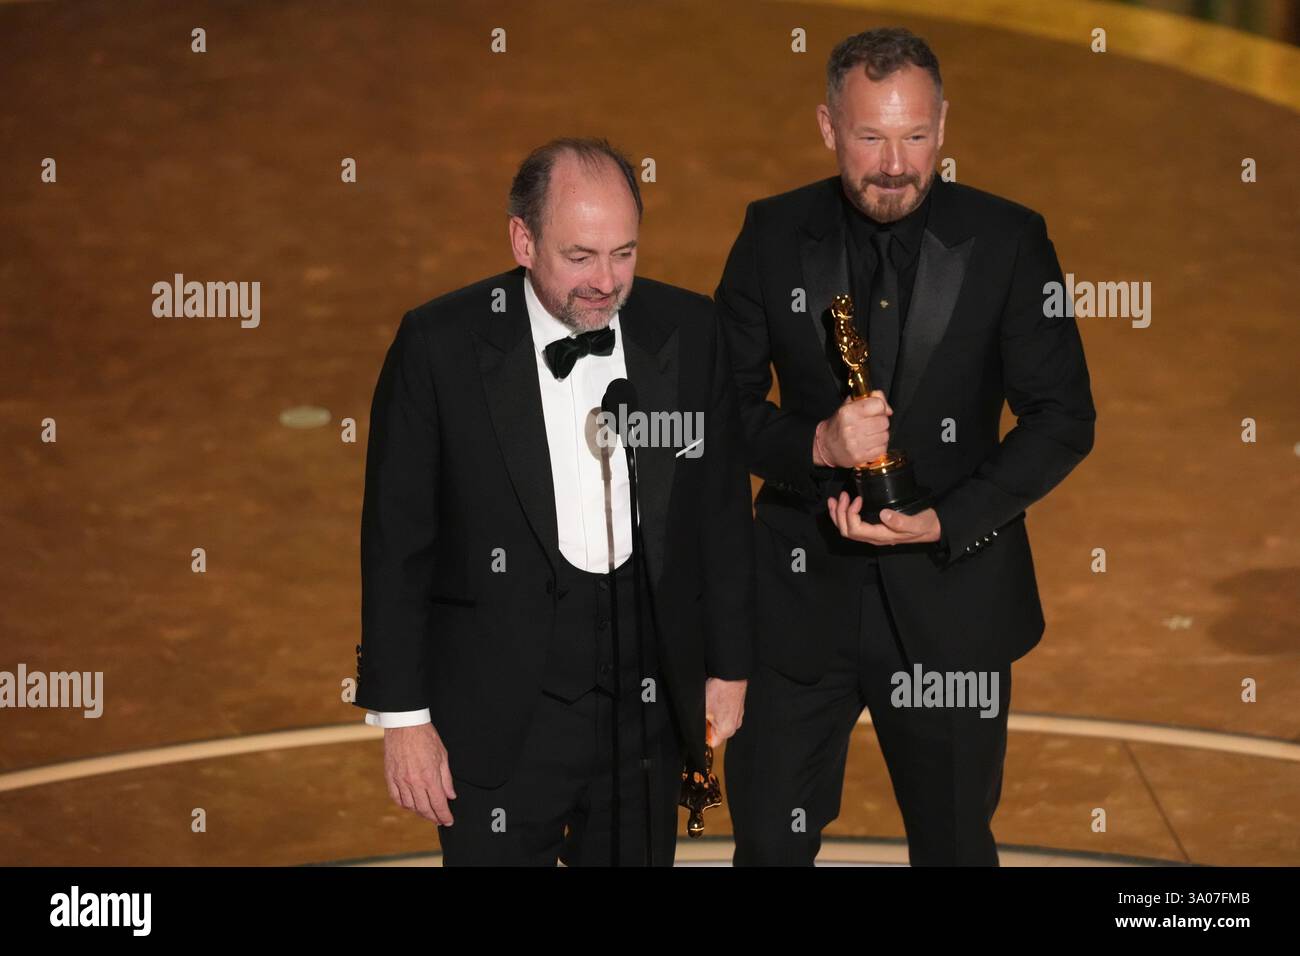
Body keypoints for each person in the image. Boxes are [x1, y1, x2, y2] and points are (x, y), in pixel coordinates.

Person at [715, 28, 1095, 865]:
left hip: (953, 604)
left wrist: (947, 523)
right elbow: (720, 408)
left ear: (944, 125)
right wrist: (814, 440)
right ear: (826, 126)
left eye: (916, 137)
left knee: (955, 846)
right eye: (871, 137)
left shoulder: (1009, 241)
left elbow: (1064, 416)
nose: (896, 164)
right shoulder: (772, 235)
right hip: (795, 607)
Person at [354, 138, 753, 866]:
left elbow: (721, 512)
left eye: (624, 253)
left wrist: (728, 666)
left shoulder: (689, 332)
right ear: (523, 239)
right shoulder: (439, 346)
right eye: (580, 257)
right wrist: (404, 718)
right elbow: (397, 543)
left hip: (644, 713)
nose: (607, 281)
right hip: (500, 718)